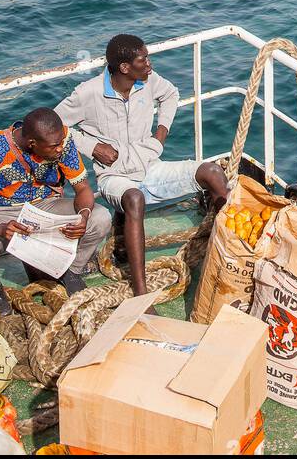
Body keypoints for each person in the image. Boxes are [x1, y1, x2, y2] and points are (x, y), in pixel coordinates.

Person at [55, 34, 228, 295]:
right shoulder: (87, 93)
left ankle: (226, 258)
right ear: (125, 67)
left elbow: (171, 94)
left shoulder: (148, 81)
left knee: (213, 173)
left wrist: (161, 133)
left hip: (151, 168)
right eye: (143, 59)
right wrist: (93, 148)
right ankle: (141, 292)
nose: (150, 64)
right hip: (114, 178)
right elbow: (55, 125)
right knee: (135, 198)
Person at [0, 107, 111, 313]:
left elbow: (82, 188)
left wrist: (84, 215)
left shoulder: (62, 139)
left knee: (101, 217)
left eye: (61, 142)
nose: (60, 148)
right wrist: (0, 228)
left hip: (46, 204)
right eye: (54, 146)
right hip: (3, 212)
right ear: (32, 143)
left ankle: (71, 270)